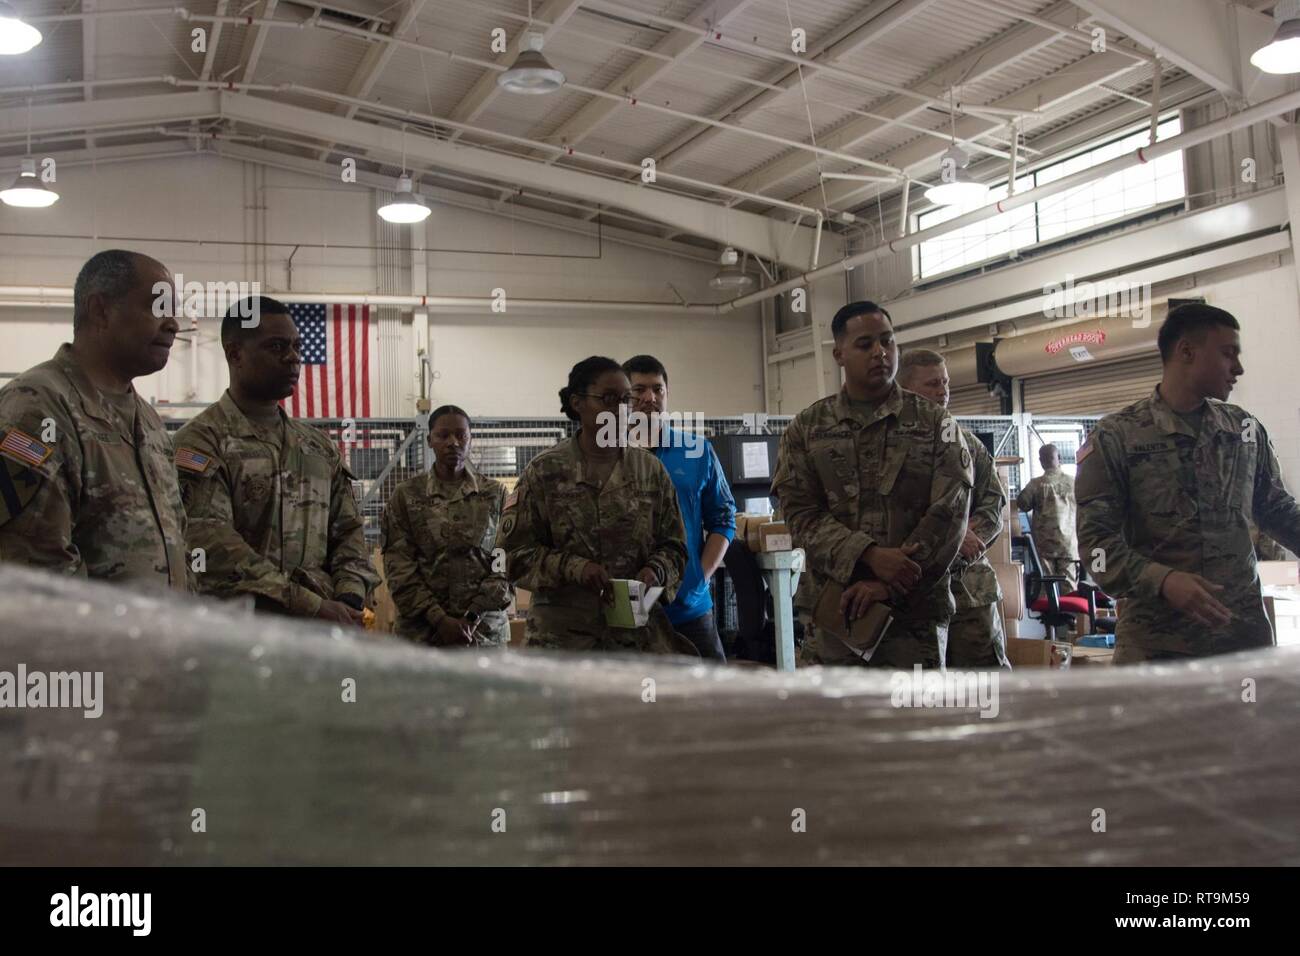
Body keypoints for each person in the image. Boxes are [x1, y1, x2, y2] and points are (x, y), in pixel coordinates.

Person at [1076, 303, 1300, 663]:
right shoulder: (1117, 437)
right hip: (1158, 647)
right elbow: (1096, 548)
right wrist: (1162, 581)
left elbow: (1276, 509)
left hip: (1240, 642)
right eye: (1228, 354)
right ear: (1186, 352)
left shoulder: (1243, 431)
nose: (1238, 368)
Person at [771, 301, 974, 668]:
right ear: (839, 354)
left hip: (913, 620)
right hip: (836, 614)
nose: (880, 352)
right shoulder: (808, 428)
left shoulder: (935, 424)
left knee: (913, 723)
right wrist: (867, 555)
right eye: (865, 344)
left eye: (888, 341)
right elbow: (799, 513)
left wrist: (892, 583)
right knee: (835, 723)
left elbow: (951, 512)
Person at [172, 297, 377, 625]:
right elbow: (211, 544)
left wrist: (349, 595)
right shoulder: (201, 442)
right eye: (277, 347)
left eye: (297, 346)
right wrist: (307, 604)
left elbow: (349, 531)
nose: (293, 357)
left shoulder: (317, 447)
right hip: (237, 634)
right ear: (235, 353)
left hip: (320, 632)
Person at [0, 249, 190, 592]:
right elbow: (39, 571)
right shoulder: (36, 407)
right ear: (101, 310)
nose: (174, 324)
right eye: (158, 307)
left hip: (163, 639)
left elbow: (178, 542)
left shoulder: (148, 421)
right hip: (90, 643)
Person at [496, 356, 692, 654]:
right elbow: (511, 556)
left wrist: (656, 570)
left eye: (627, 399)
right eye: (609, 399)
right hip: (563, 641)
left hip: (634, 638)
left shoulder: (649, 471)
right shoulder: (545, 472)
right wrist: (575, 568)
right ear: (578, 403)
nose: (622, 409)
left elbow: (675, 546)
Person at [898, 348, 1009, 669]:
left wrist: (970, 538)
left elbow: (992, 506)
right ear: (906, 390)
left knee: (986, 686)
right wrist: (951, 537)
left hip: (969, 588)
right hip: (915, 592)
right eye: (932, 384)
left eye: (945, 383)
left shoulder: (969, 444)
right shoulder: (889, 449)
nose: (943, 391)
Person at [623, 354, 736, 660]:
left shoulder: (697, 451)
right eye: (639, 390)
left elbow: (723, 518)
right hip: (628, 610)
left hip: (690, 609)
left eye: (658, 389)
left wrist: (701, 575)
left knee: (710, 700)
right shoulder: (609, 457)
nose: (650, 398)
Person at [381, 405, 512, 647]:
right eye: (443, 435)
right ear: (430, 440)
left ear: (470, 439)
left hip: (484, 635)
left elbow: (505, 562)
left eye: (461, 435)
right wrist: (439, 619)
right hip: (423, 635)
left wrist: (472, 617)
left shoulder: (496, 495)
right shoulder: (406, 496)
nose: (453, 442)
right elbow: (399, 567)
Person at [1016, 444, 1078, 591]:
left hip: (1045, 545)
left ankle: (1051, 613)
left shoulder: (1035, 485)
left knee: (1047, 587)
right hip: (1068, 545)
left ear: (1041, 461)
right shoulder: (1074, 483)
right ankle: (1070, 613)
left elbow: (1022, 504)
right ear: (1059, 459)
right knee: (1069, 586)